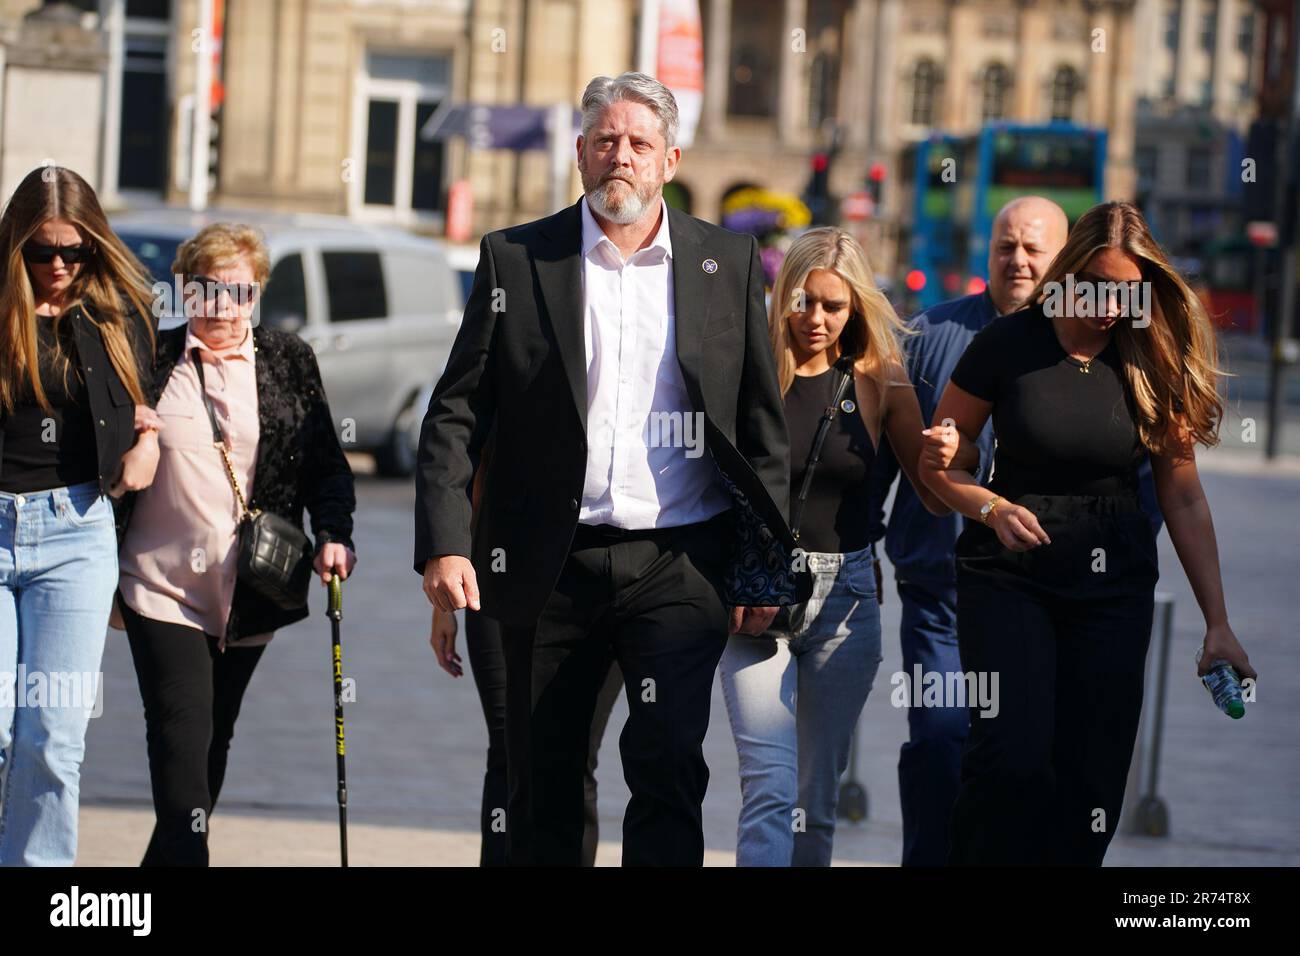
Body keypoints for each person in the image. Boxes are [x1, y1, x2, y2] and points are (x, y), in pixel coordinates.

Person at [415, 71, 811, 866]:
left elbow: (760, 427)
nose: (620, 157)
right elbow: (456, 413)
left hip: (679, 563)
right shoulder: (518, 258)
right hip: (549, 565)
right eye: (605, 141)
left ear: (669, 160)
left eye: (638, 143)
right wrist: (447, 544)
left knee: (668, 768)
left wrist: (762, 566)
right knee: (545, 779)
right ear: (580, 153)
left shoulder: (725, 261)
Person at [919, 200, 1256, 865]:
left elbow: (1183, 496)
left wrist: (1218, 623)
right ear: (1070, 272)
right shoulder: (1007, 343)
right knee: (1011, 760)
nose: (1111, 305)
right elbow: (942, 469)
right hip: (1009, 575)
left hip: (1113, 584)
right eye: (1098, 286)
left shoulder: (1151, 352)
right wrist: (989, 509)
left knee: (1091, 782)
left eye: (1128, 291)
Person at [717, 227, 971, 866]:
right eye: (802, 301)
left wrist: (951, 458)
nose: (815, 319)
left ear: (856, 306)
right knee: (770, 787)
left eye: (833, 306)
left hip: (845, 602)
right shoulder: (748, 366)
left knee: (814, 797)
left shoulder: (882, 380)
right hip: (757, 596)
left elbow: (934, 498)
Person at [113, 222, 357, 866]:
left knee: (212, 743)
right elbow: (103, 454)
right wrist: (130, 436)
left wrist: (334, 535)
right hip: (160, 588)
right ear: (184, 290)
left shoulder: (287, 360)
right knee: (182, 734)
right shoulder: (149, 358)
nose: (225, 306)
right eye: (209, 290)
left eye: (241, 292)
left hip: (250, 593)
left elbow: (326, 465)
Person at [867, 195, 1069, 866]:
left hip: (1044, 598)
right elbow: (879, 457)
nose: (1018, 260)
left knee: (1022, 759)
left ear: (1063, 259)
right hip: (941, 596)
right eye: (1006, 246)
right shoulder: (928, 335)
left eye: (1034, 249)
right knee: (939, 740)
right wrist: (853, 551)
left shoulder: (1083, 346)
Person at [0, 165, 158, 866]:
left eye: (75, 250)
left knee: (54, 738)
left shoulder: (120, 315)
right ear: (17, 245)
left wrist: (149, 443)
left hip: (75, 533)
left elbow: (151, 402)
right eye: (43, 250)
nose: (59, 265)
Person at [428, 440, 623, 866]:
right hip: (496, 578)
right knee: (510, 746)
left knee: (578, 756)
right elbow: (466, 468)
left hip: (598, 580)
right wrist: (442, 606)